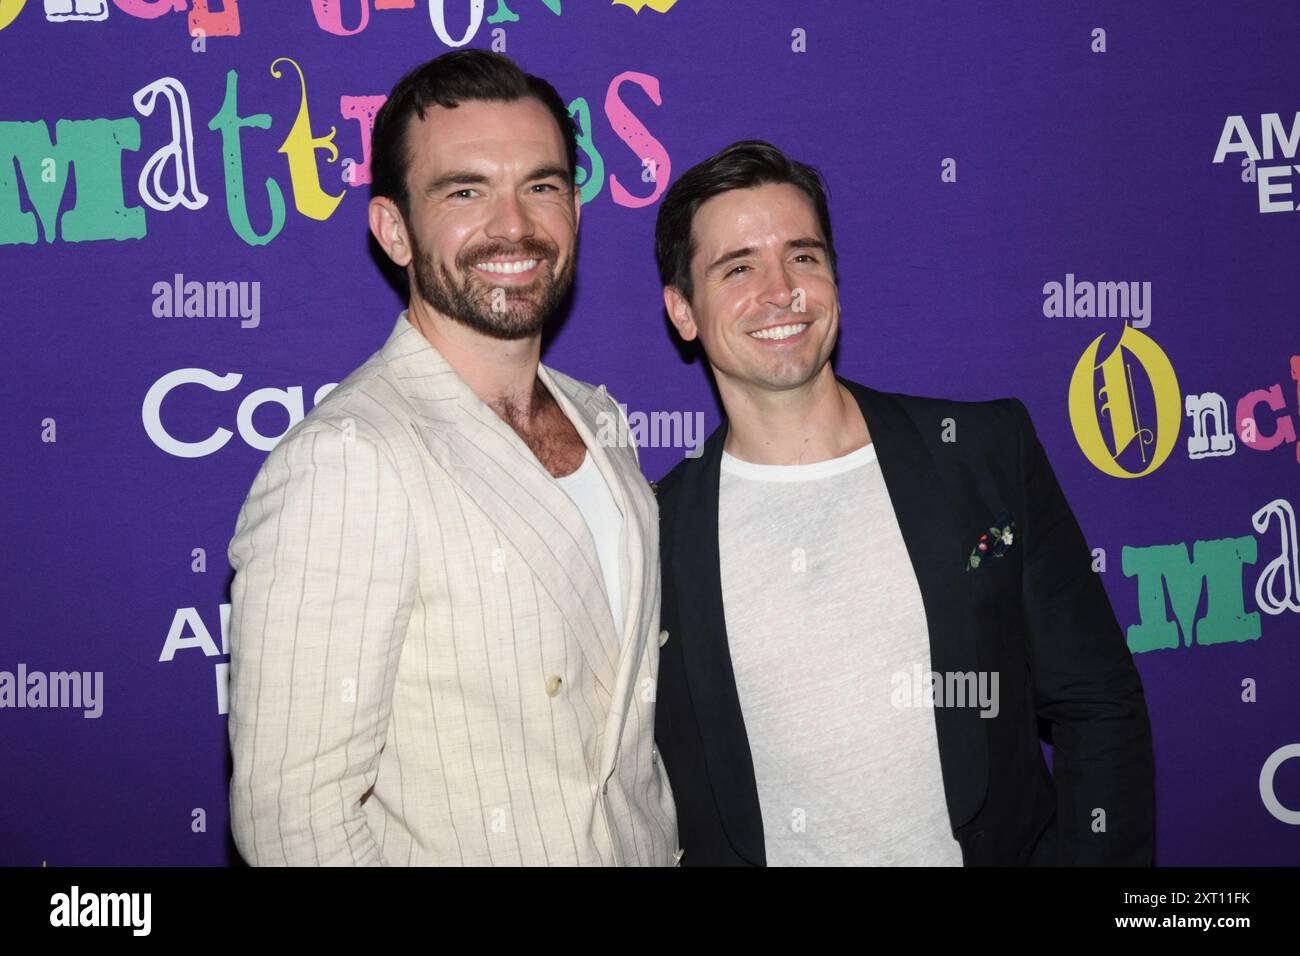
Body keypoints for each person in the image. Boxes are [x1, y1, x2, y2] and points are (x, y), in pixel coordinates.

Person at [226, 50, 678, 866]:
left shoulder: (602, 419)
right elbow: (294, 824)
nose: (514, 225)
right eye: (465, 191)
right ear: (393, 230)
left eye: (541, 186)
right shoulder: (348, 462)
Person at [651, 139, 1155, 866]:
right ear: (683, 311)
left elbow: (1098, 703)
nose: (781, 289)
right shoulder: (653, 531)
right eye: (738, 268)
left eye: (804, 256)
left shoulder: (981, 453)